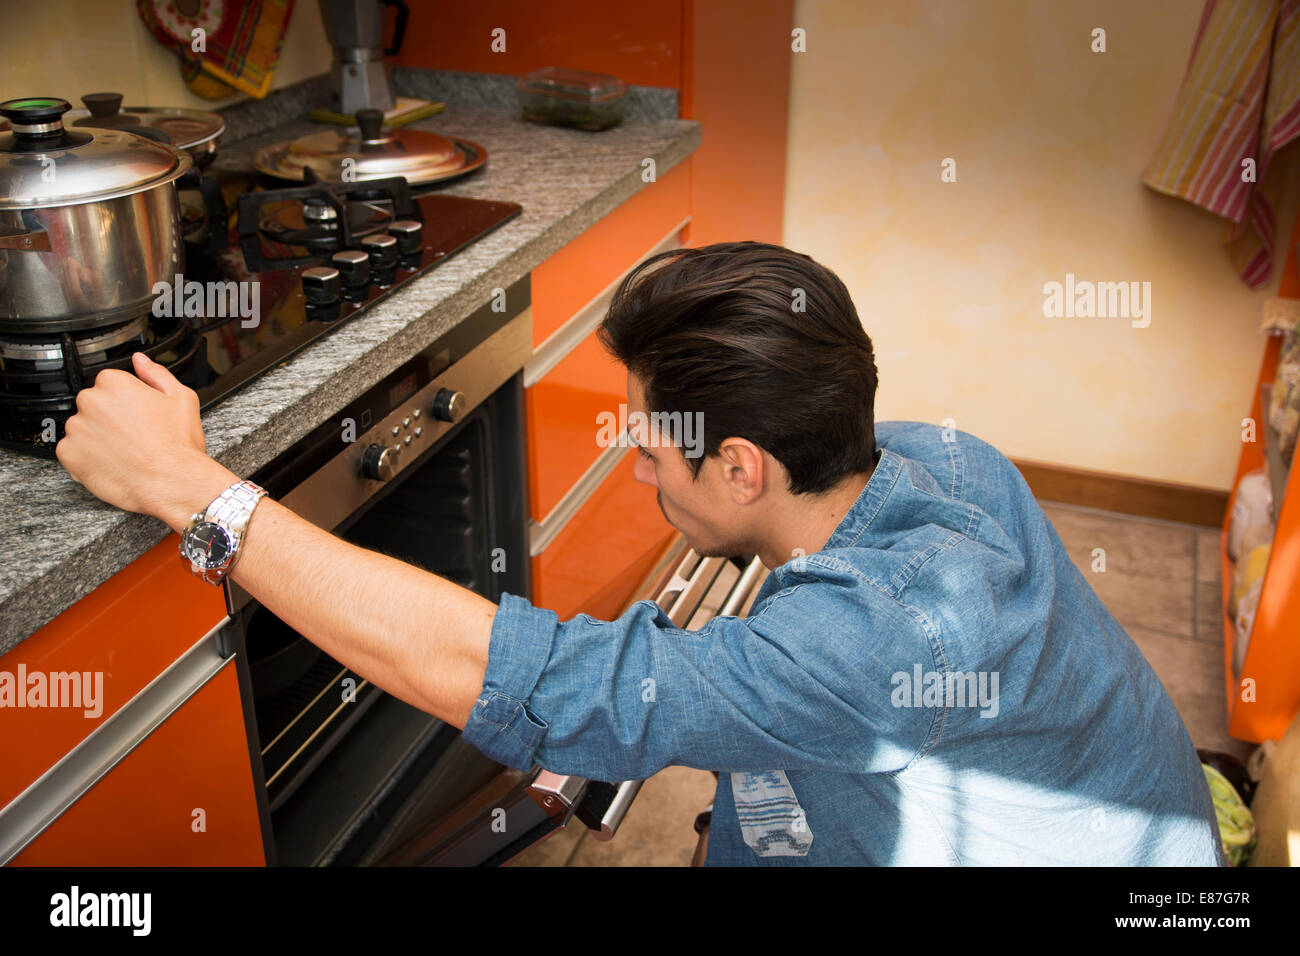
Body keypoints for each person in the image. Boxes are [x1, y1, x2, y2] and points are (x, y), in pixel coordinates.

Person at [55, 240, 1224, 865]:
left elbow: (519, 677)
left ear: (742, 468)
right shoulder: (942, 458)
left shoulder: (853, 653)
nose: (634, 469)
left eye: (656, 449)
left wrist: (190, 491)